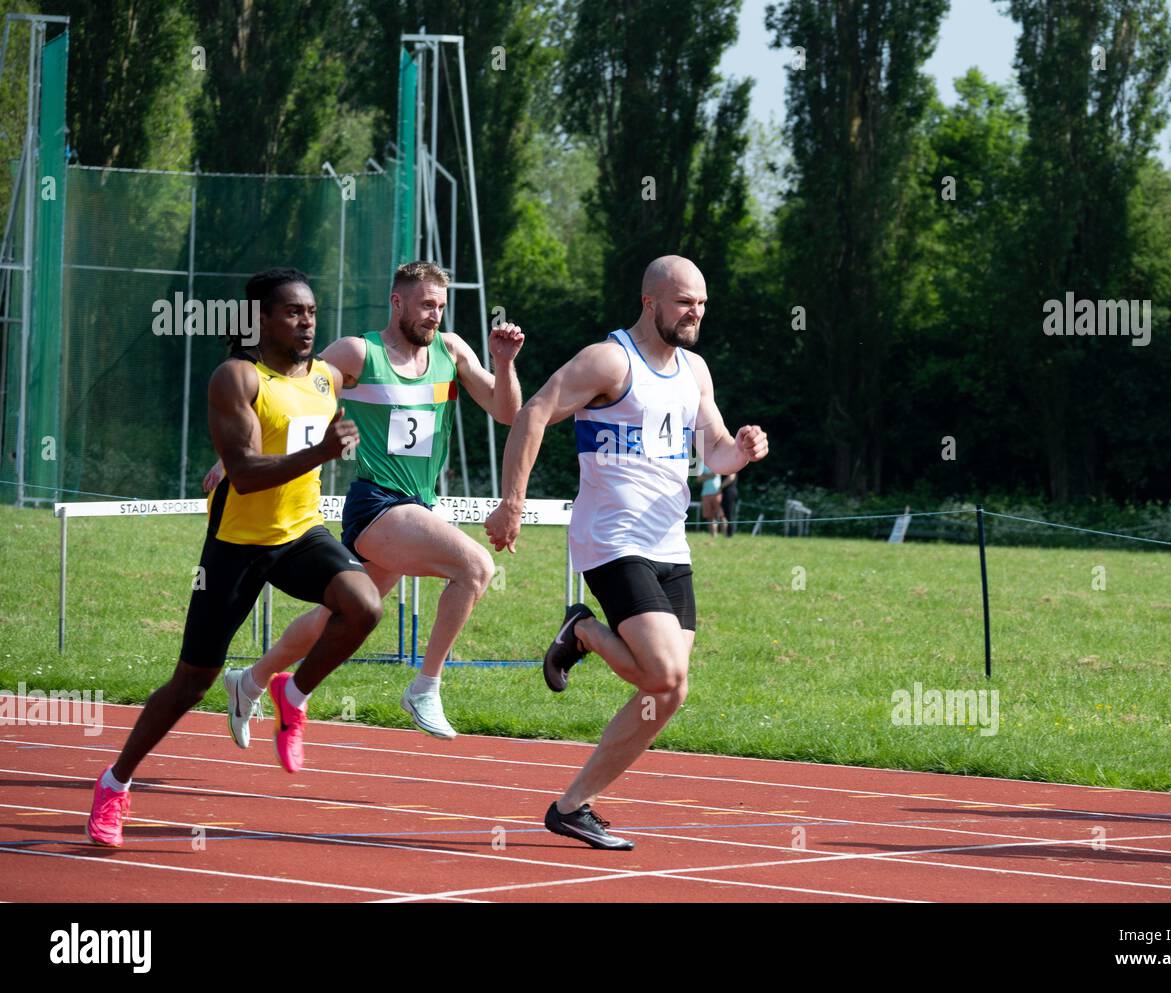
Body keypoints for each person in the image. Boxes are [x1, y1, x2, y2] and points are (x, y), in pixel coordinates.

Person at [86, 268, 383, 847]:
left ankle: (290, 695)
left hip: (300, 533)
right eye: (294, 312)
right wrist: (299, 453)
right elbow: (247, 474)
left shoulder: (325, 378)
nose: (307, 322)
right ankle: (114, 784)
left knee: (364, 605)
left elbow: (281, 440)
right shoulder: (236, 378)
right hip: (235, 547)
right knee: (191, 682)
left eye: (313, 312)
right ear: (260, 320)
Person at [484, 255, 768, 850]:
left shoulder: (694, 371)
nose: (696, 313)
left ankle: (572, 805)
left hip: (670, 544)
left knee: (668, 691)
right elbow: (533, 412)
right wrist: (513, 502)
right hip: (611, 539)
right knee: (664, 671)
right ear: (650, 302)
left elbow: (712, 450)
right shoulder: (610, 360)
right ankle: (584, 630)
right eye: (686, 302)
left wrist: (741, 449)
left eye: (703, 304)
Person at [209, 261, 523, 743]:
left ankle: (248, 683)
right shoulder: (359, 352)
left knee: (336, 615)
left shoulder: (451, 350)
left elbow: (506, 412)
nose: (434, 315)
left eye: (440, 306)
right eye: (425, 305)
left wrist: (503, 364)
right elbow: (289, 389)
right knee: (476, 567)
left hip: (419, 505)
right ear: (397, 302)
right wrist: (235, 458)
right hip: (375, 503)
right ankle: (425, 687)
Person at [698, 463, 725, 536]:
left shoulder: (716, 461)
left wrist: (705, 476)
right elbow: (699, 479)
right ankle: (713, 536)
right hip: (705, 493)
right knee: (710, 516)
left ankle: (726, 536)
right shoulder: (701, 464)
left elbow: (715, 474)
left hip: (716, 492)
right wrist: (710, 475)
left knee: (721, 515)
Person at [719, 472, 739, 537]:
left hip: (729, 492)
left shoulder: (731, 467)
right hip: (726, 492)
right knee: (726, 514)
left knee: (729, 514)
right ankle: (727, 534)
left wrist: (720, 487)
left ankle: (730, 534)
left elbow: (731, 477)